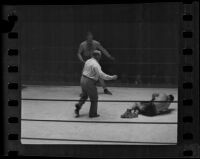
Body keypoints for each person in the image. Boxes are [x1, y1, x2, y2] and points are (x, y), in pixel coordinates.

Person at [75, 50, 118, 118]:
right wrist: (112, 77)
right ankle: (93, 114)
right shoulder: (96, 64)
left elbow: (83, 70)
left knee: (84, 96)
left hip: (82, 79)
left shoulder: (88, 61)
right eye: (100, 56)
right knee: (94, 98)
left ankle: (79, 105)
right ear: (97, 56)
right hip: (89, 81)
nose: (100, 57)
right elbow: (102, 75)